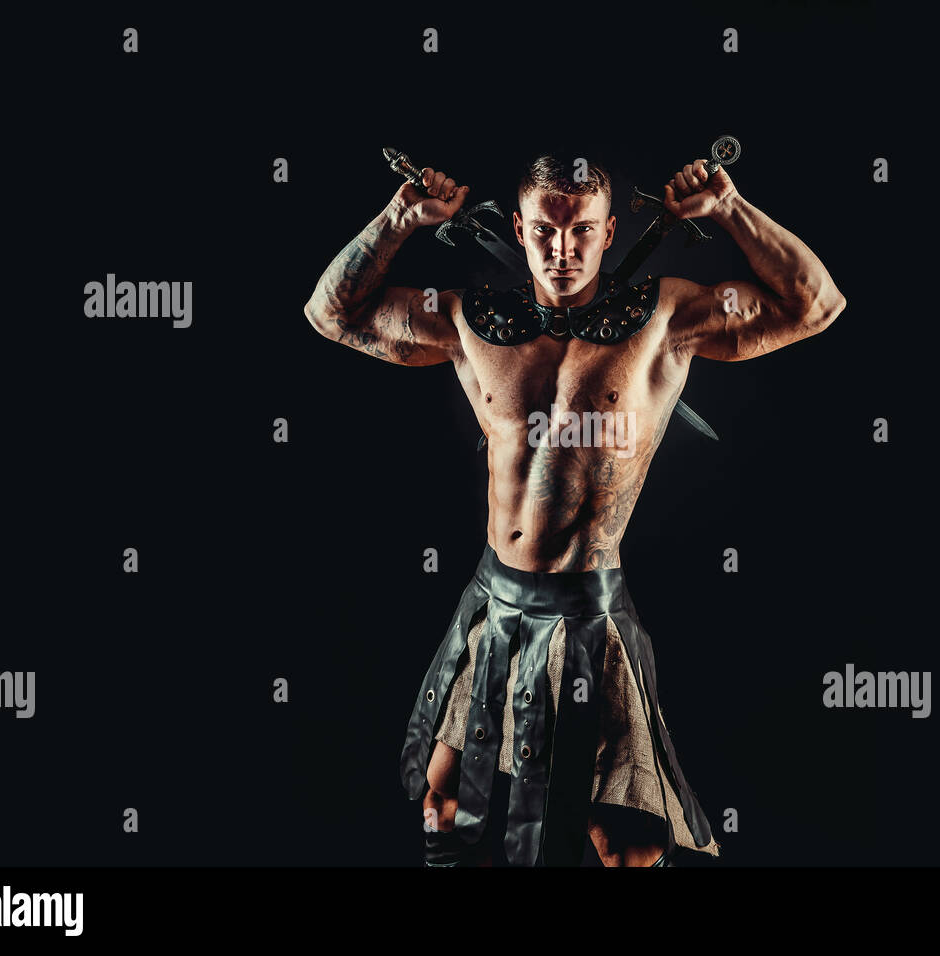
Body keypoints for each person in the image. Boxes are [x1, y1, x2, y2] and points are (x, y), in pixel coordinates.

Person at [303, 152, 846, 866]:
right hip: (495, 606)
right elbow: (330, 313)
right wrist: (399, 218)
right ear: (520, 230)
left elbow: (816, 305)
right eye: (545, 231)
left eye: (583, 231)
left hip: (589, 615)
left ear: (611, 228)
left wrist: (728, 208)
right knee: (444, 805)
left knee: (626, 849)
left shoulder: (666, 319)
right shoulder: (470, 322)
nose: (563, 250)